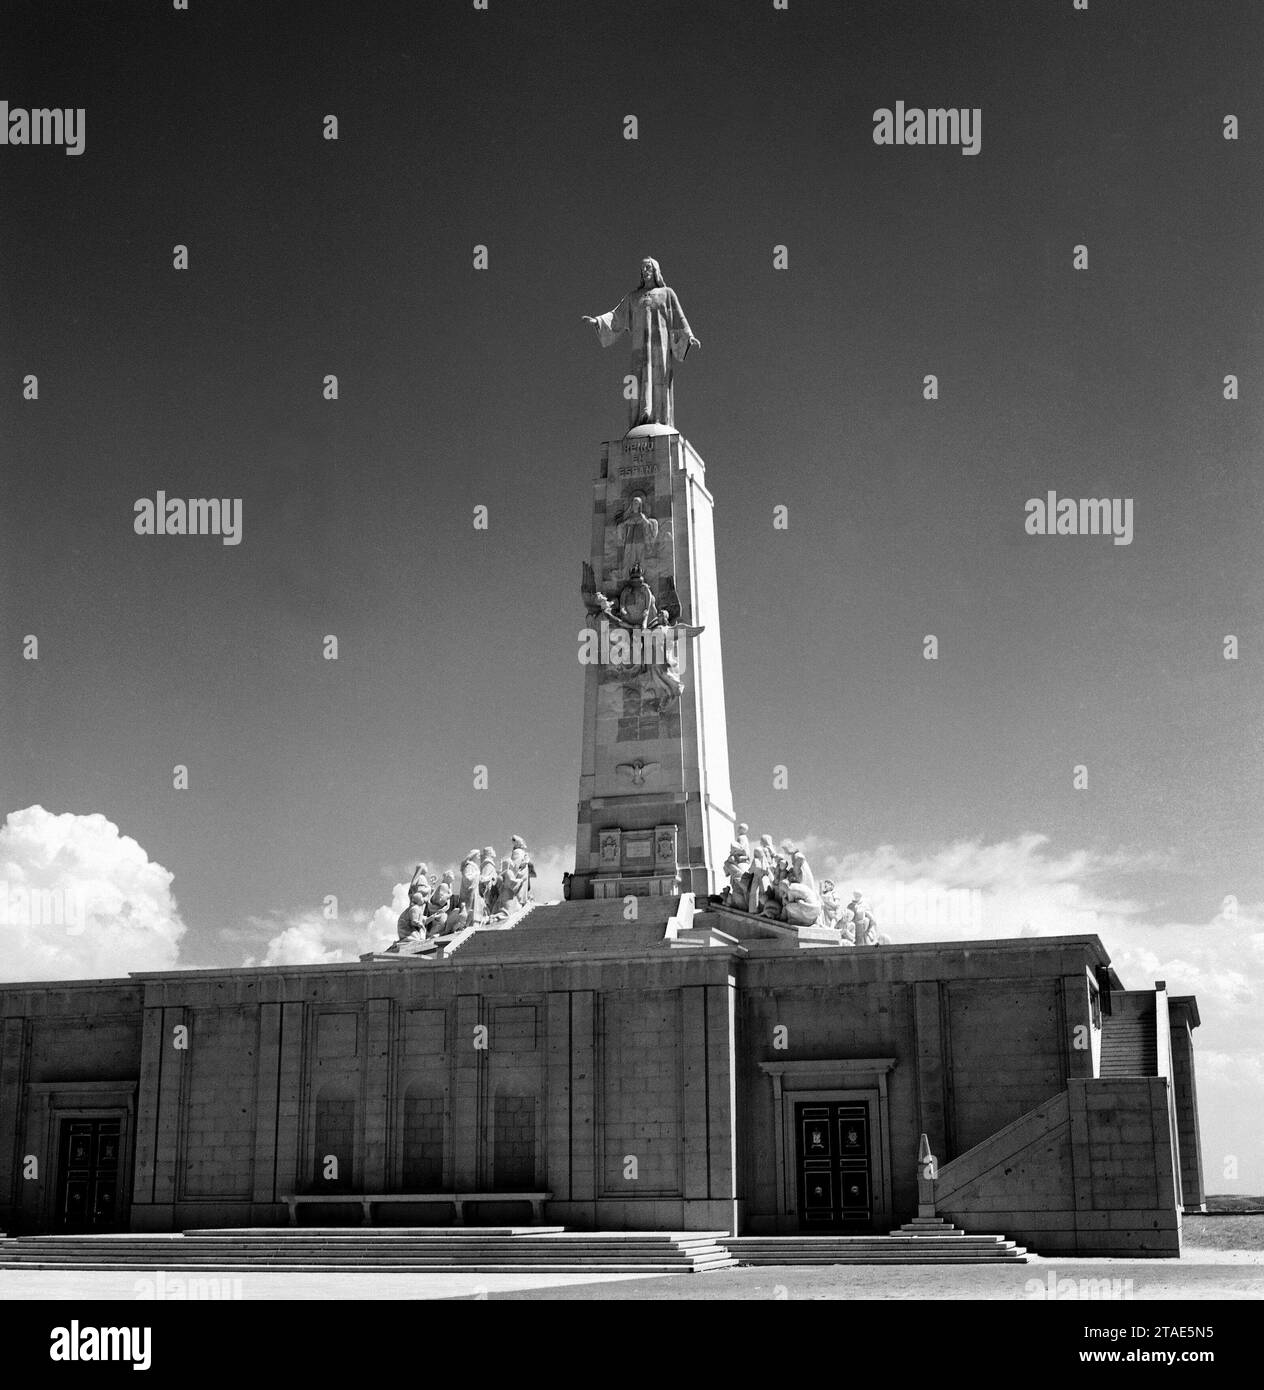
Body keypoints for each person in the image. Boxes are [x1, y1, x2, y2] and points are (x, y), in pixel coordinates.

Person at [583, 257, 700, 429]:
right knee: (636, 380)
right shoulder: (633, 297)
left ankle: (660, 417)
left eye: (648, 268)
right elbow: (617, 316)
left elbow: (678, 318)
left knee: (660, 377)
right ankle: (640, 418)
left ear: (656, 271)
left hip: (661, 345)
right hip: (639, 348)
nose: (645, 271)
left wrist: (688, 336)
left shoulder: (667, 293)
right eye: (643, 269)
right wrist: (598, 322)